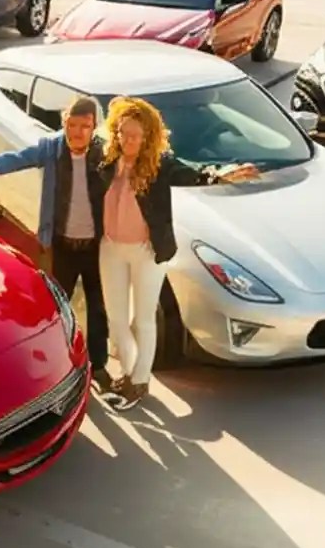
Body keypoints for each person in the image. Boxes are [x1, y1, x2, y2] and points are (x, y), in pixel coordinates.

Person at [0, 95, 116, 393]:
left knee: (98, 309)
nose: (77, 132)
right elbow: (15, 159)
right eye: (72, 125)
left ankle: (98, 367)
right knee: (54, 308)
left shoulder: (105, 153)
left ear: (94, 127)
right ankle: (60, 364)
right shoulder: (52, 148)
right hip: (61, 245)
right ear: (64, 124)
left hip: (97, 247)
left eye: (85, 126)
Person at [95, 96, 259, 411]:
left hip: (147, 251)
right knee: (117, 320)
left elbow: (193, 173)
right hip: (111, 248)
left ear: (147, 138)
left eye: (135, 135)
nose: (127, 140)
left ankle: (139, 381)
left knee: (143, 319)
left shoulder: (160, 165)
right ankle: (128, 372)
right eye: (122, 133)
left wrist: (220, 174)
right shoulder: (105, 163)